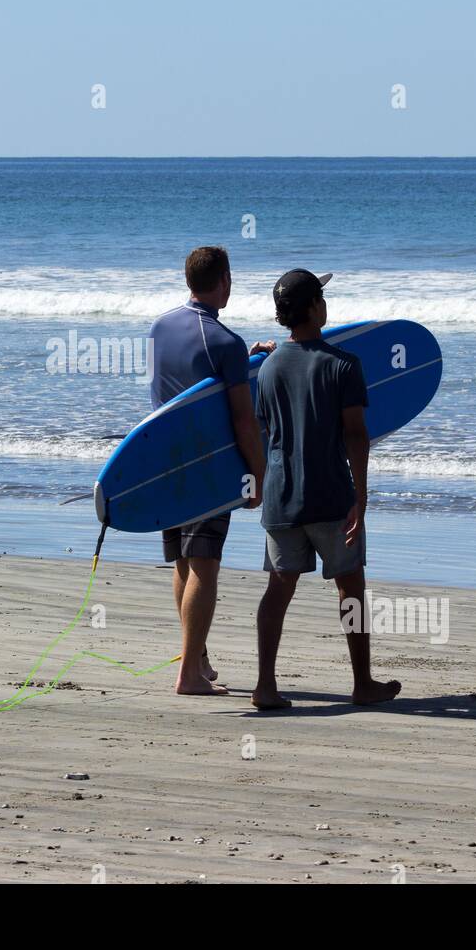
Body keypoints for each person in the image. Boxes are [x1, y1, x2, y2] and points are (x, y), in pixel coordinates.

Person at [251, 268, 401, 709]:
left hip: (282, 498)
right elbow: (356, 434)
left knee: (279, 589)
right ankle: (362, 684)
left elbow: (267, 428)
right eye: (322, 296)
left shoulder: (267, 368)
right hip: (333, 496)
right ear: (316, 307)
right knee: (350, 588)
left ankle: (264, 685)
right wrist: (362, 495)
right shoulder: (343, 365)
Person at [148, 246, 273, 695]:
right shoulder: (225, 342)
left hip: (162, 462)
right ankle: (188, 676)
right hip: (206, 466)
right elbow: (243, 419)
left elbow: (187, 383)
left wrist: (248, 359)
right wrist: (257, 474)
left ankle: (195, 661)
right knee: (206, 563)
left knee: (183, 560)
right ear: (223, 280)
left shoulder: (160, 327)